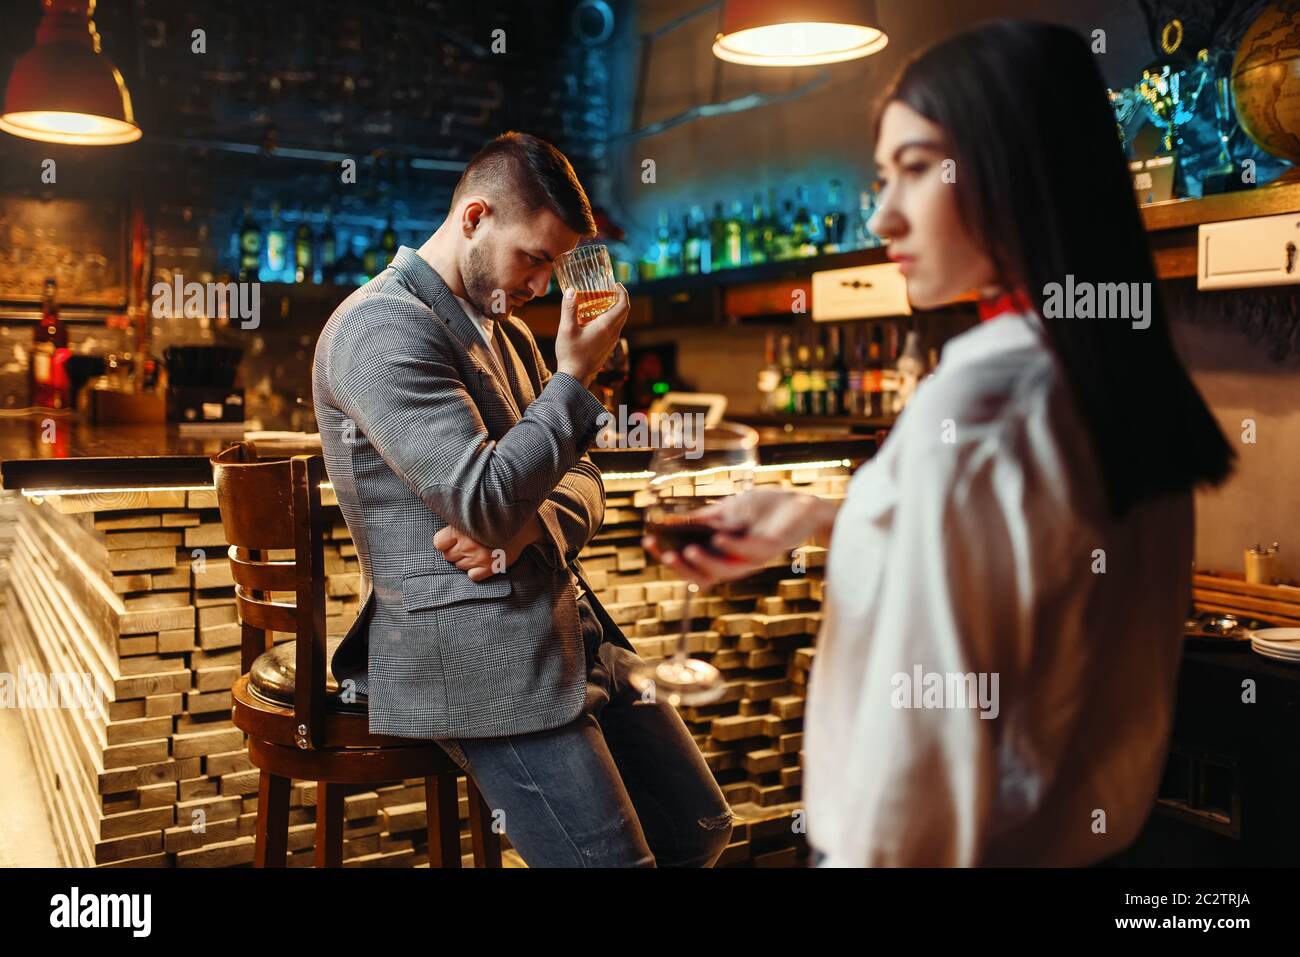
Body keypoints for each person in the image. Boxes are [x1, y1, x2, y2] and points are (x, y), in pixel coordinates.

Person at [645, 20, 1235, 867]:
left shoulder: (986, 399)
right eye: (884, 177)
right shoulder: (1110, 371)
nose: (882, 214)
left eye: (917, 169)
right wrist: (819, 516)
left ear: (1015, 165)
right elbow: (1012, 566)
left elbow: (917, 753)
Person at [313, 131, 733, 867]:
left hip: (567, 625)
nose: (543, 284)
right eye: (535, 257)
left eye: (554, 263)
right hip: (472, 650)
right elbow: (482, 501)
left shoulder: (503, 327)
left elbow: (586, 476)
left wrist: (530, 525)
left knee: (700, 825)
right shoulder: (379, 327)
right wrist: (574, 381)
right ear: (474, 217)